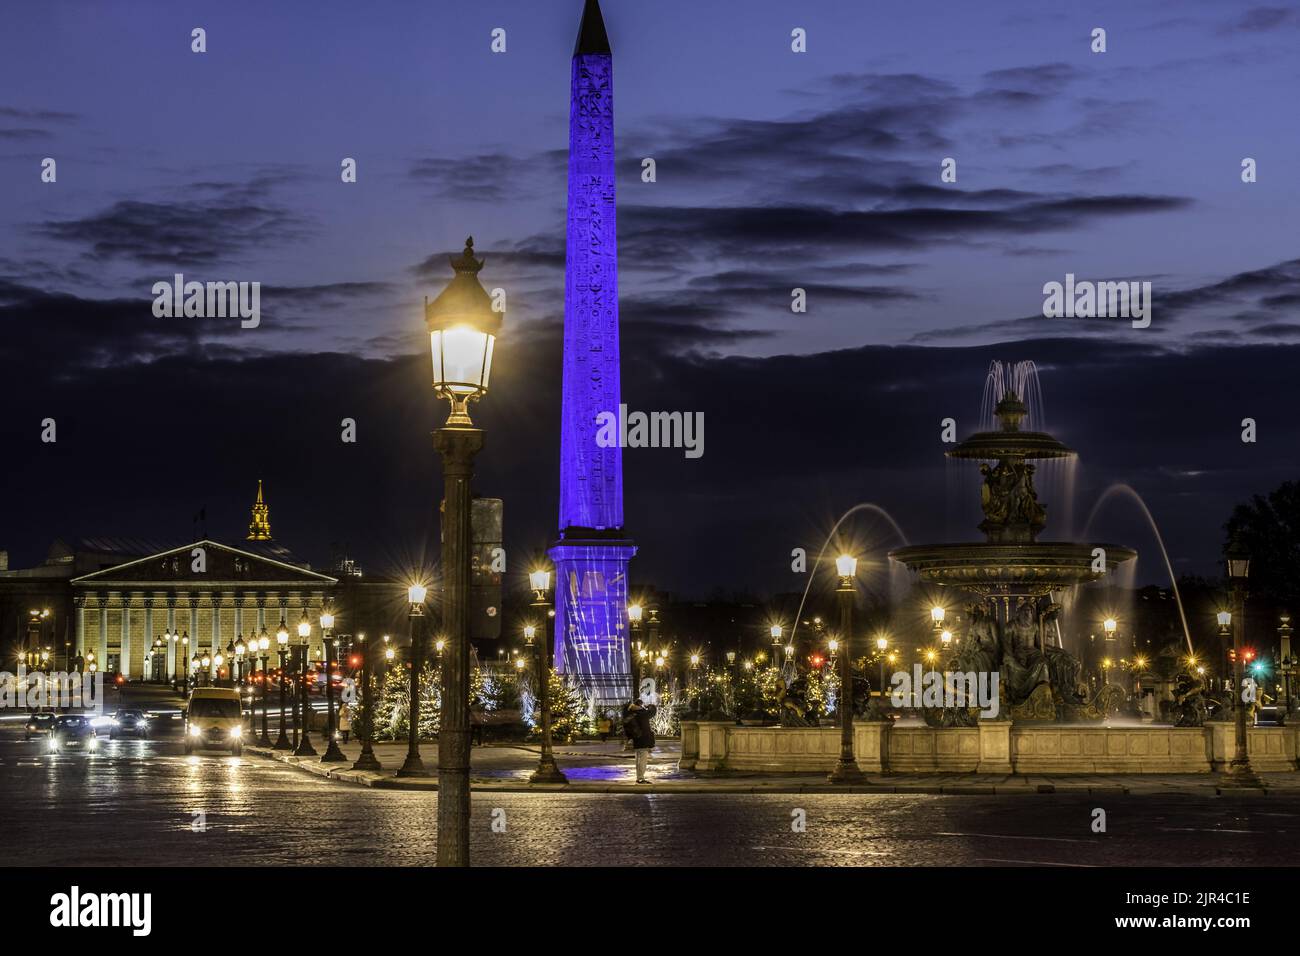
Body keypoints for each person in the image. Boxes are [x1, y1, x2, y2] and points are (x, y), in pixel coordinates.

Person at [623, 698, 657, 784]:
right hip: (643, 739)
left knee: (638, 759)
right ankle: (641, 778)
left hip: (636, 739)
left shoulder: (631, 713)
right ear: (639, 705)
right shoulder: (641, 713)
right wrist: (649, 706)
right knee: (642, 760)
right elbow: (652, 711)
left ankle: (639, 777)